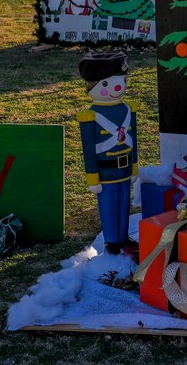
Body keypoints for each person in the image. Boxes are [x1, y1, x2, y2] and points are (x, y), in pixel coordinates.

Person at [77, 51, 139, 255]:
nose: (118, 87)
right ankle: (111, 241)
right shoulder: (90, 116)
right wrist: (92, 177)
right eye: (106, 84)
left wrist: (134, 167)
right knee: (109, 206)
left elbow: (133, 140)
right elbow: (89, 149)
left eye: (122, 81)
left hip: (125, 168)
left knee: (124, 204)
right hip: (106, 171)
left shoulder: (128, 109)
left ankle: (123, 237)